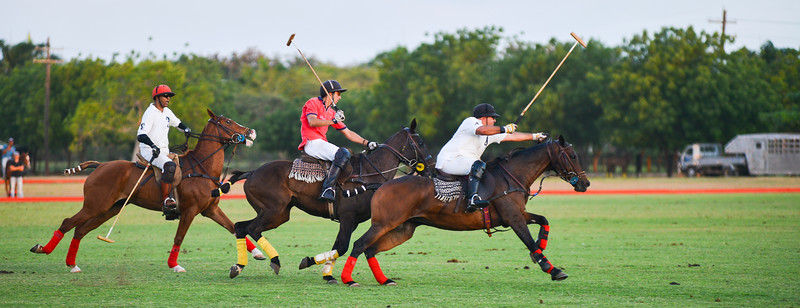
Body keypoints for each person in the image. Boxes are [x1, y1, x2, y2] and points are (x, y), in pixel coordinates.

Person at [435, 103, 547, 213]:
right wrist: (504, 128)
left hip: (464, 163)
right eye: (492, 117)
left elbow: (513, 136)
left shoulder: (491, 133)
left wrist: (535, 136)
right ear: (484, 118)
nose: (494, 120)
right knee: (478, 165)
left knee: (482, 166)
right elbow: (482, 131)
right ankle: (472, 199)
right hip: (449, 160)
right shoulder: (470, 121)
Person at [298, 80, 378, 202]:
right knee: (343, 153)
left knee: (346, 155)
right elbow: (312, 121)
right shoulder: (313, 102)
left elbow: (348, 132)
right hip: (311, 142)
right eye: (338, 94)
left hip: (320, 142)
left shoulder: (331, 112)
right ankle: (327, 188)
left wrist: (367, 143)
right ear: (330, 94)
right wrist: (334, 121)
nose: (340, 97)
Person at [136, 84, 191, 219]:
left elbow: (177, 123)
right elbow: (141, 134)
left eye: (169, 96)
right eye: (166, 96)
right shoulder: (150, 113)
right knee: (169, 166)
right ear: (157, 98)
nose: (168, 98)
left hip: (164, 150)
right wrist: (153, 146)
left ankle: (179, 201)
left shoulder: (167, 112)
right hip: (149, 150)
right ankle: (166, 200)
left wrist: (186, 129)